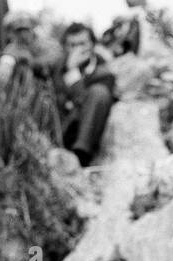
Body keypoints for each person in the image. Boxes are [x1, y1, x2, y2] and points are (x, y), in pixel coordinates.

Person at [55, 22, 115, 168]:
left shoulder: (104, 71)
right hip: (60, 129)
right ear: (65, 47)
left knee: (98, 92)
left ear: (93, 45)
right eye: (72, 45)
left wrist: (73, 73)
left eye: (82, 44)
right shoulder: (57, 69)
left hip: (85, 132)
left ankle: (81, 156)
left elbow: (82, 100)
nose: (77, 49)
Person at [0, 9, 62, 91]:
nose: (22, 35)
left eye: (25, 29)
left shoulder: (47, 44)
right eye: (18, 31)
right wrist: (6, 64)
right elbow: (9, 54)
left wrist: (32, 61)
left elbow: (55, 57)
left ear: (32, 28)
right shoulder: (13, 47)